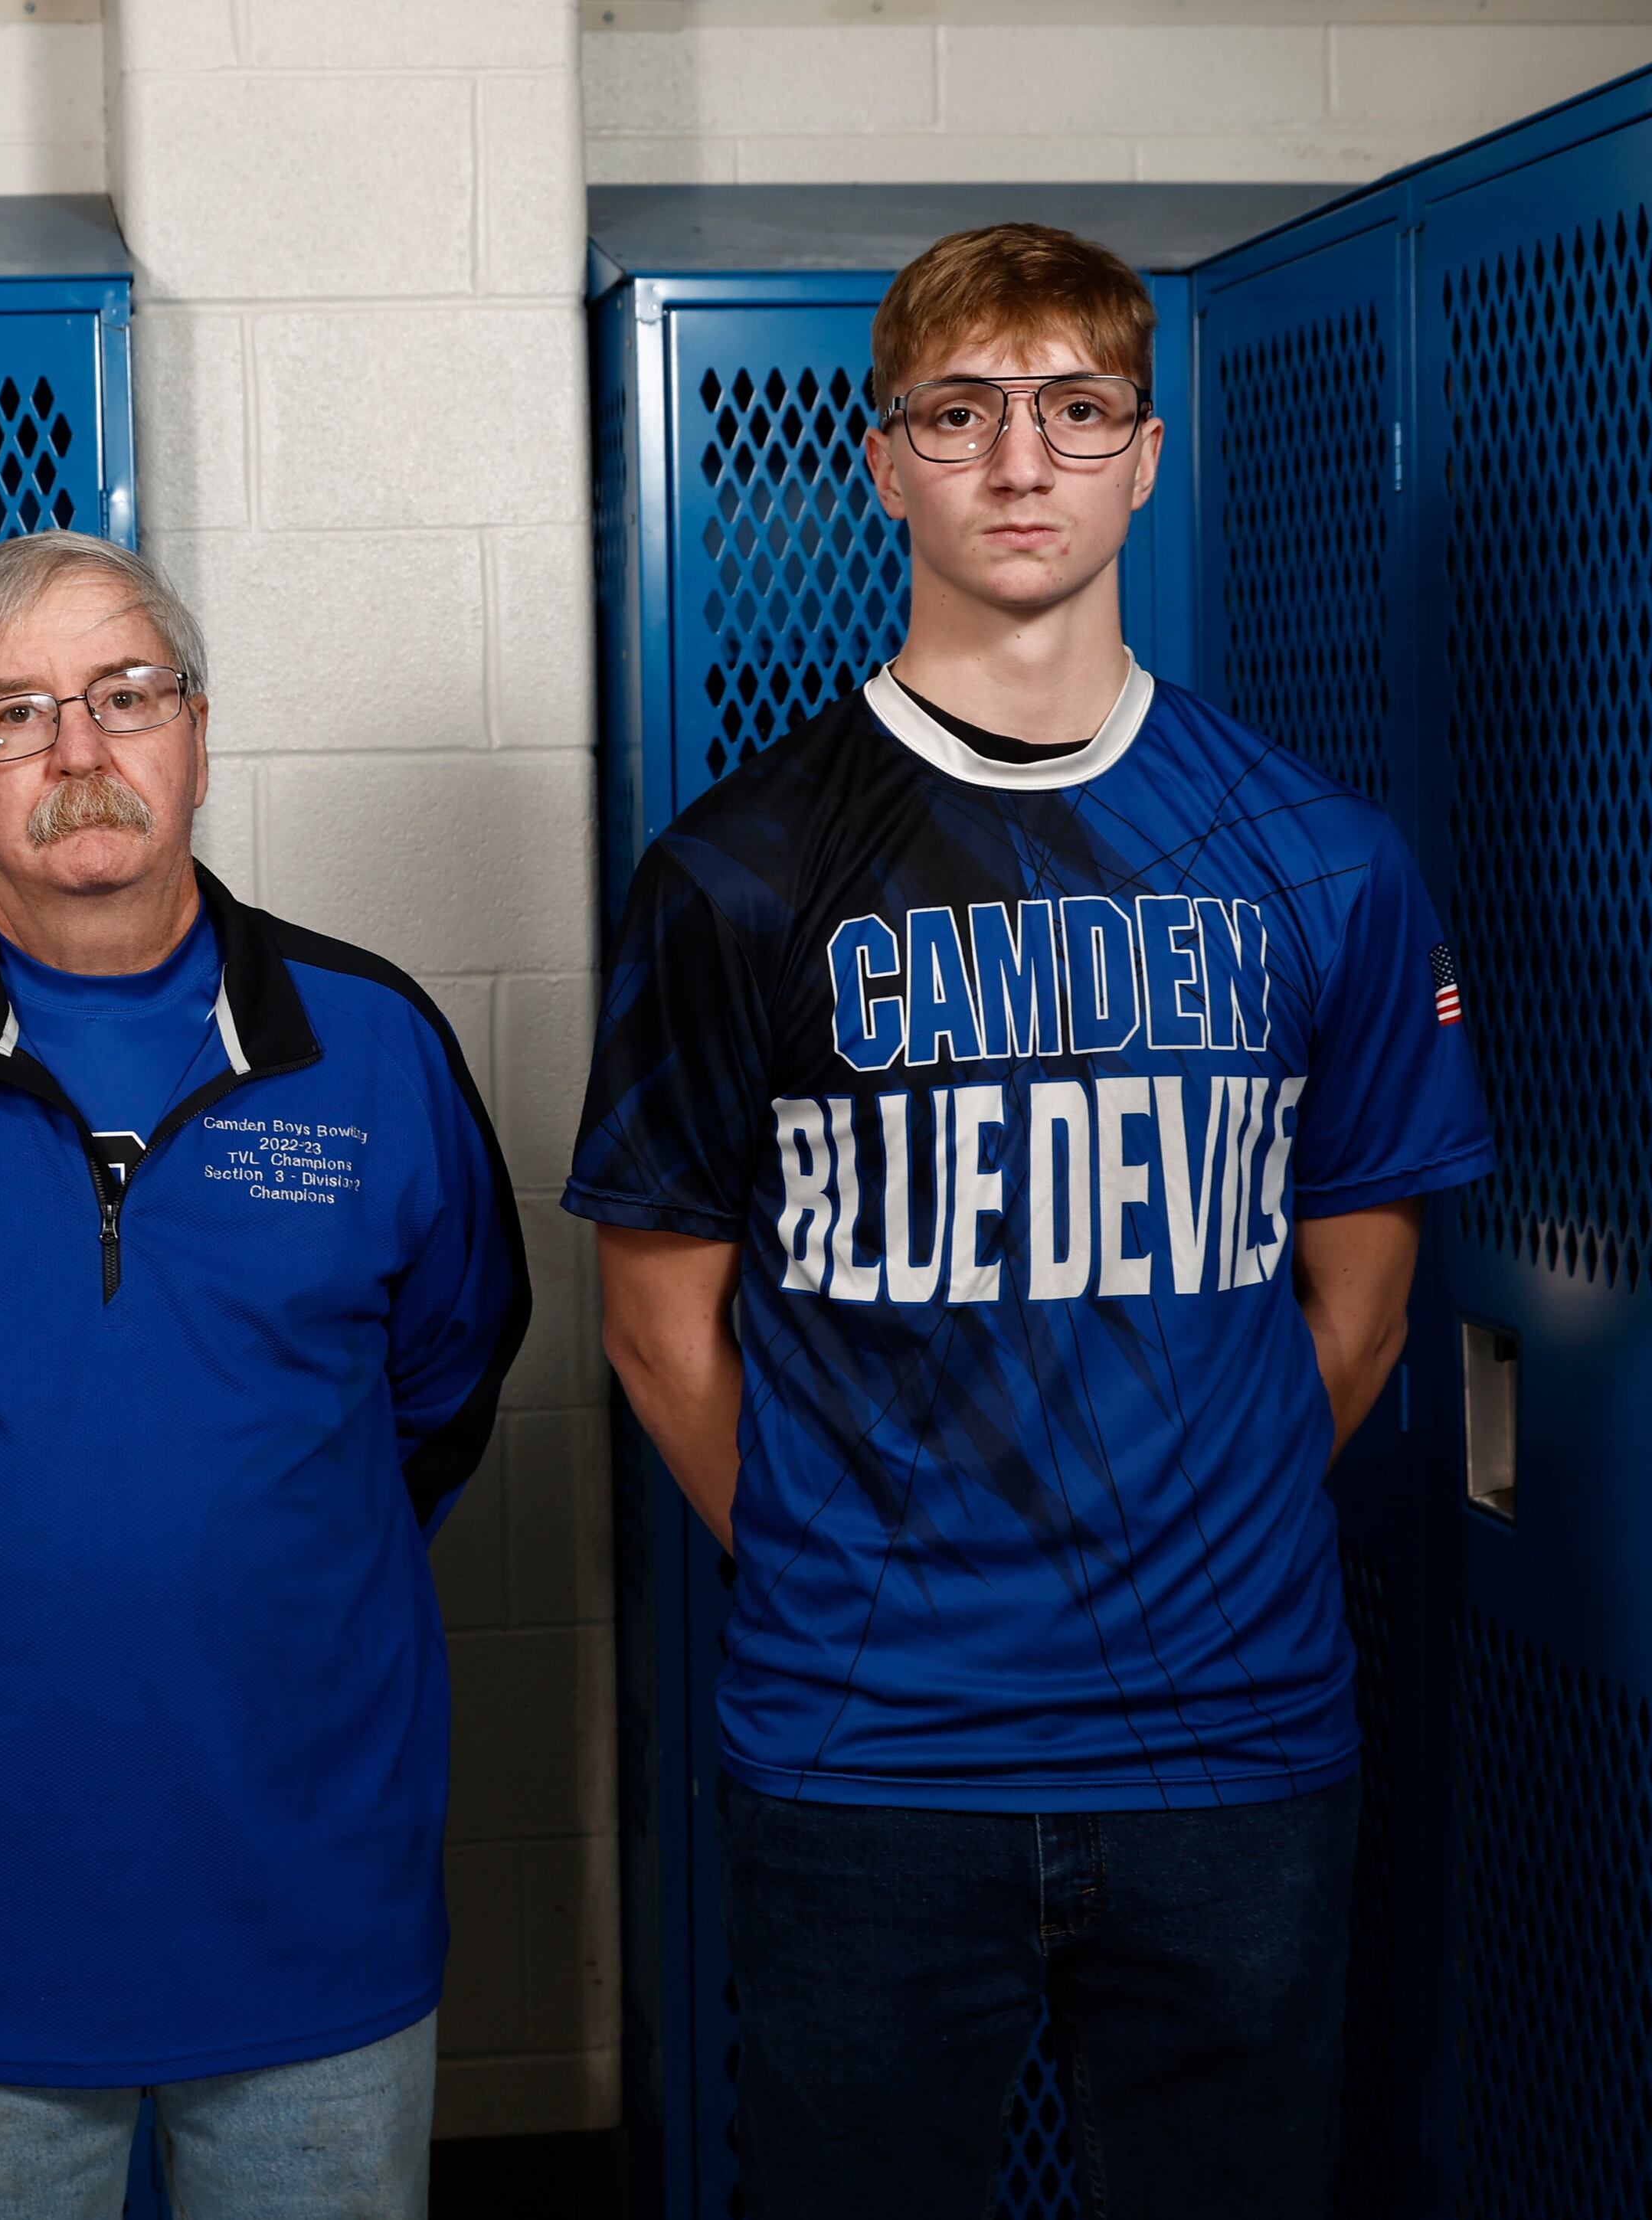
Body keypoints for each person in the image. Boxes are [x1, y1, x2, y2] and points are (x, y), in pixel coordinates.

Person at [567, 224, 1492, 2218]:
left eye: (1075, 409)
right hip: (867, 1755)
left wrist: (1191, 1536)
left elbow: (1358, 1302)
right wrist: (845, 1563)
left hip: (1234, 1747)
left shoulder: (1320, 861)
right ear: (881, 461)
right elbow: (655, 1323)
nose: (1017, 461)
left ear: (1146, 456)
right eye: (960, 413)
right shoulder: (735, 870)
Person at [0, 531, 528, 2218]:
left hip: (311, 1924)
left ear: (196, 736)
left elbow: (441, 1396)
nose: (81, 746)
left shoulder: (372, 1046)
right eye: (16, 714)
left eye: (128, 694)